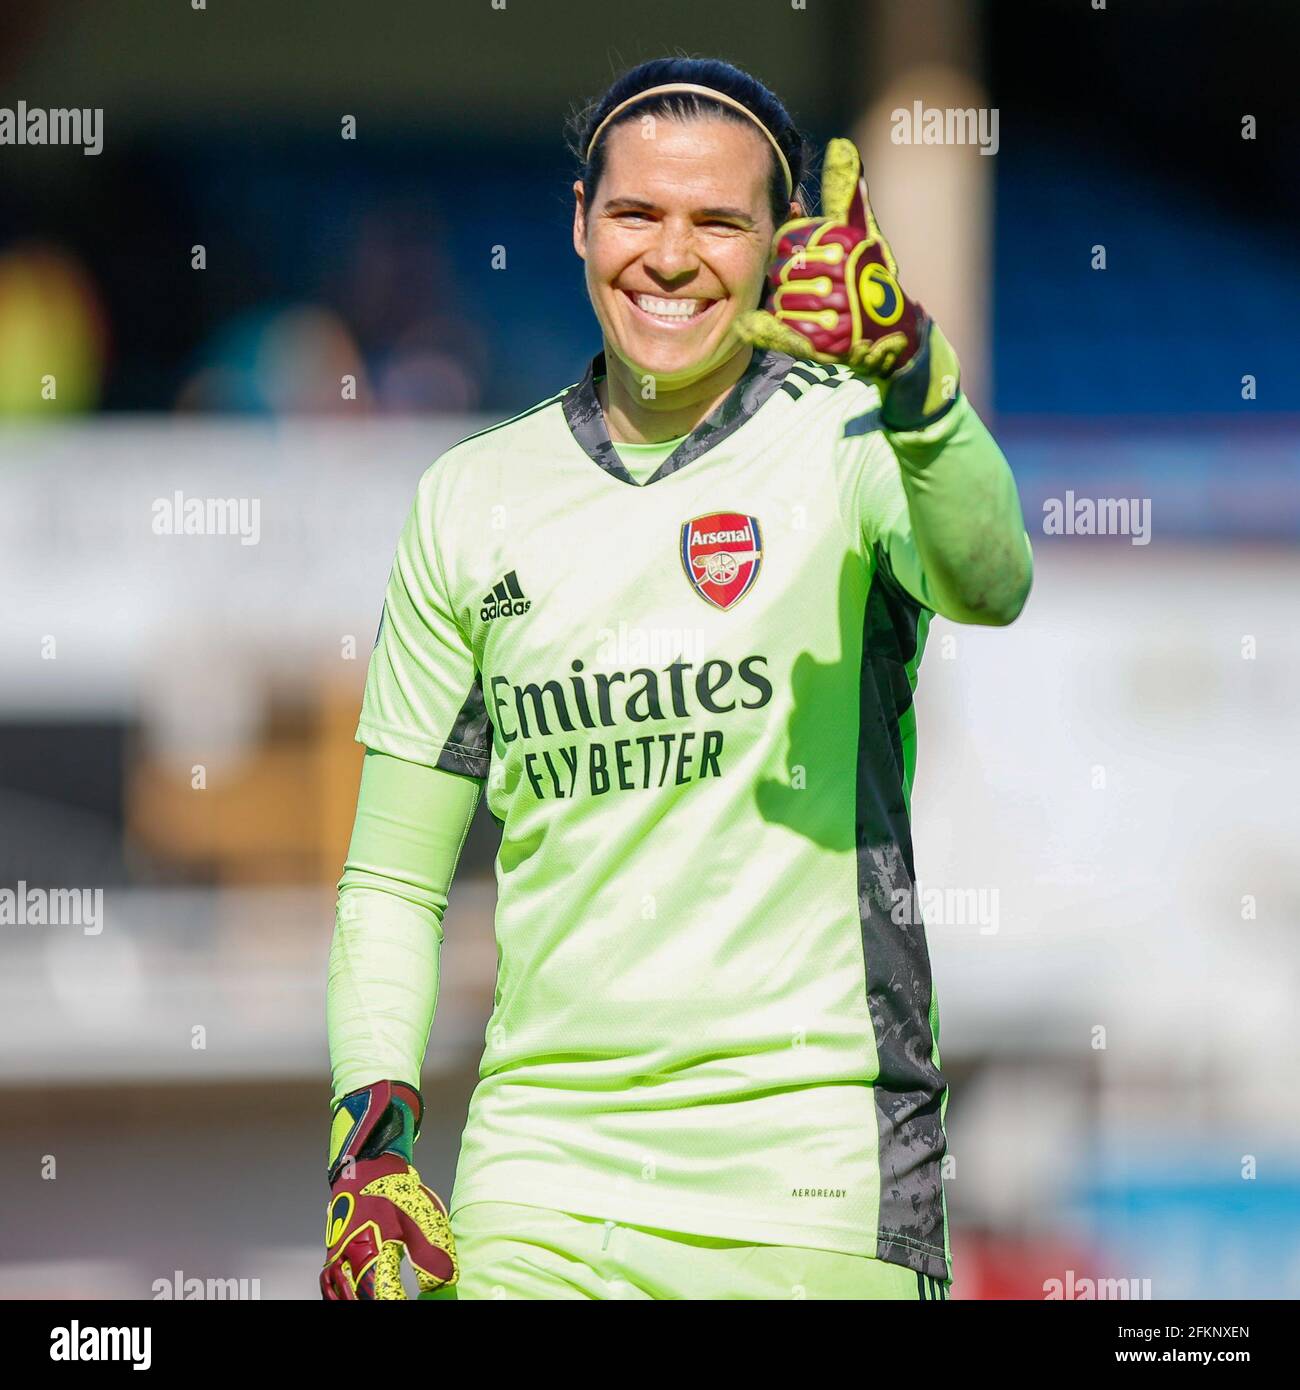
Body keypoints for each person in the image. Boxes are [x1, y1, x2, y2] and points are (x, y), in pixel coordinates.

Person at [320, 55, 1032, 1302]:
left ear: (777, 245)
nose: (670, 255)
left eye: (718, 221)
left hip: (816, 1180)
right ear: (581, 221)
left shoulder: (858, 439)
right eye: (638, 213)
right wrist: (369, 1152)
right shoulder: (469, 499)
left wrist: (917, 381)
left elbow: (993, 578)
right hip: (538, 1184)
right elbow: (390, 883)